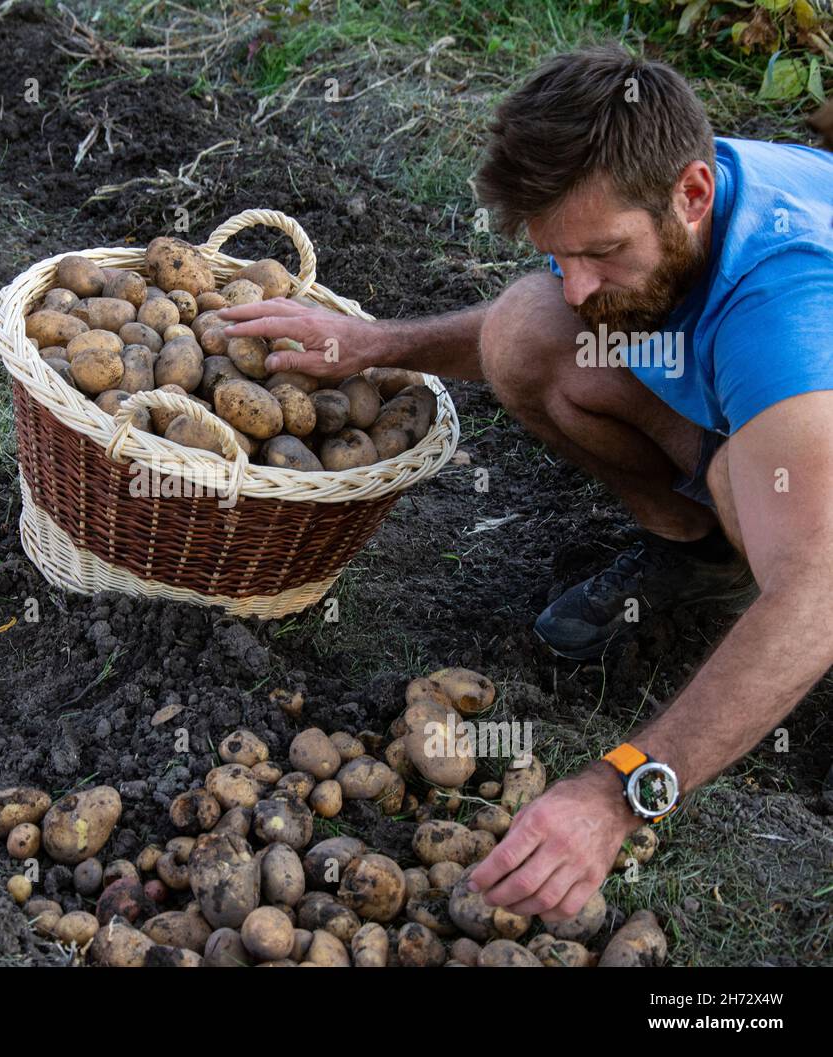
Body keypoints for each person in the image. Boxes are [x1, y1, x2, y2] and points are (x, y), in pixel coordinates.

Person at [217, 44, 833, 923]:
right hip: (782, 400)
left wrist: (621, 792)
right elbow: (540, 321)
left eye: (604, 254)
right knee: (529, 332)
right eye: (560, 252)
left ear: (693, 196)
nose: (580, 285)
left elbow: (818, 589)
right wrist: (376, 343)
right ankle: (693, 556)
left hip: (812, 424)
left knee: (764, 495)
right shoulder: (646, 180)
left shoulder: (788, 300)